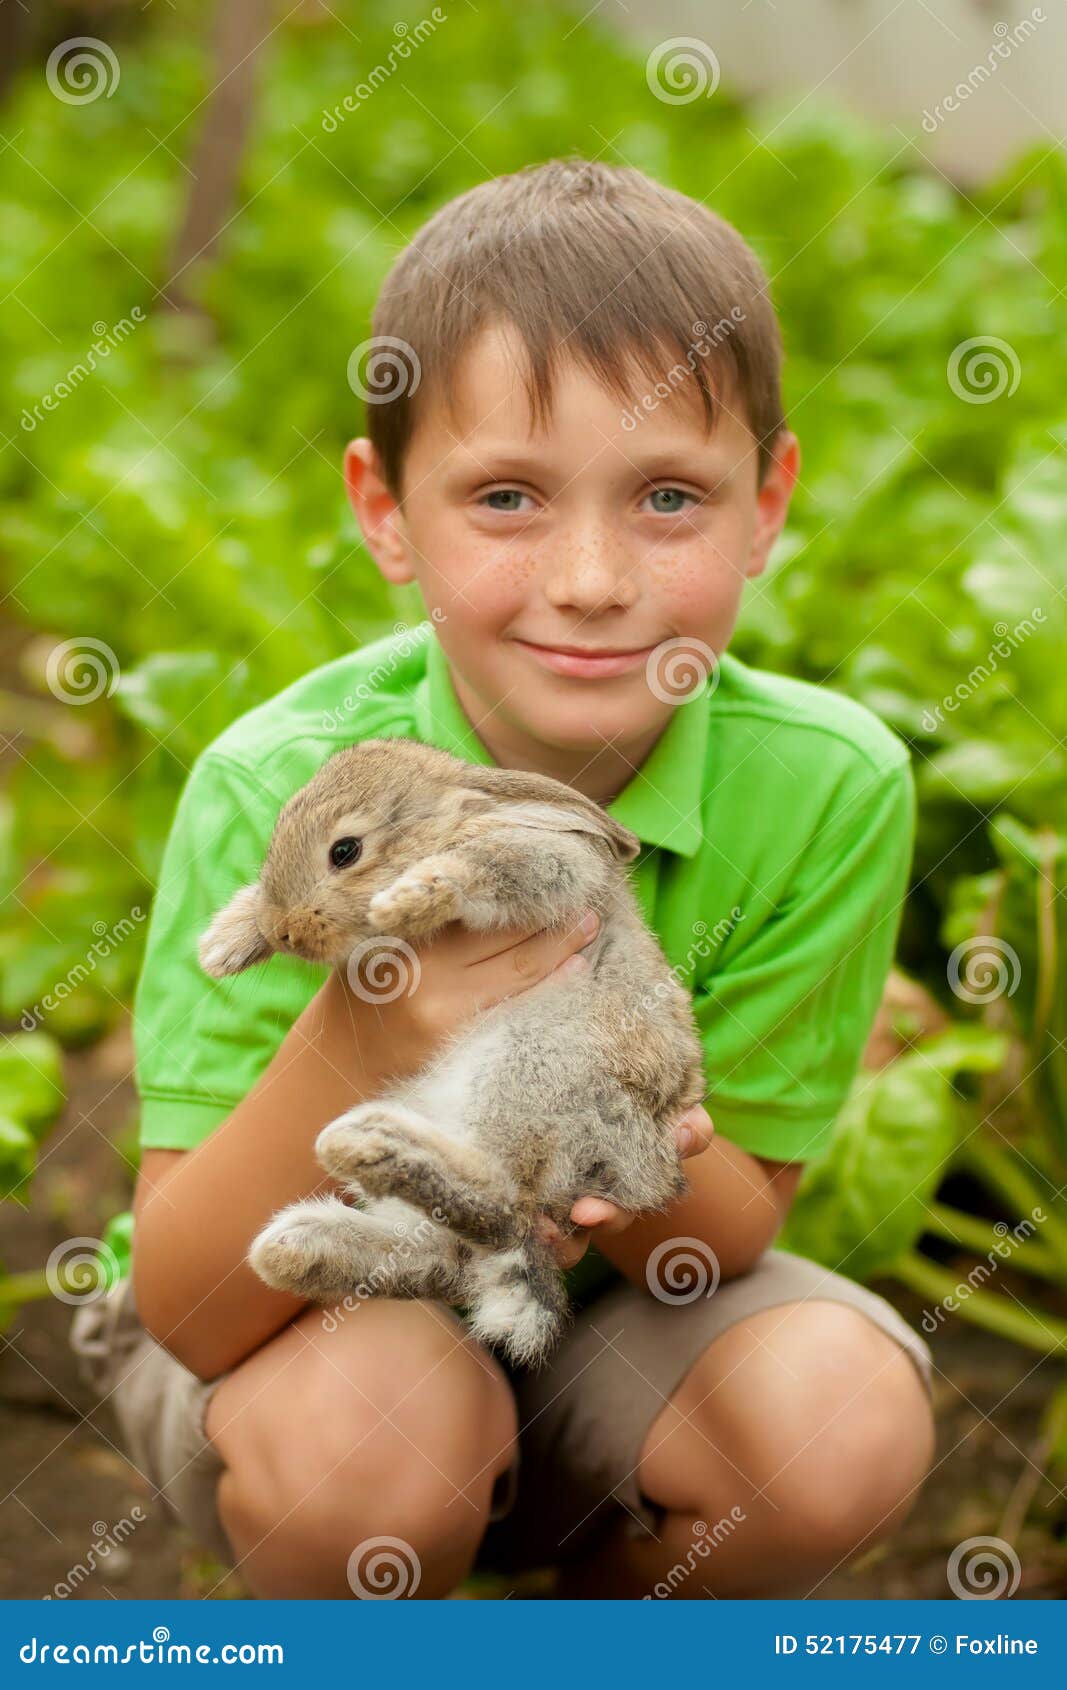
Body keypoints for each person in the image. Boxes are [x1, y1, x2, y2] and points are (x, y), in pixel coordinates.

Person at [70, 158, 934, 1600]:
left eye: (668, 496)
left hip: (602, 1311)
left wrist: (611, 1108)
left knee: (834, 1423)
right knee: (376, 1451)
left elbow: (726, 1236)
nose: (592, 578)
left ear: (768, 502)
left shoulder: (831, 785)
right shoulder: (280, 785)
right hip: (298, 1325)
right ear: (387, 509)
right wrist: (361, 1034)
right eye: (508, 497)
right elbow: (195, 1301)